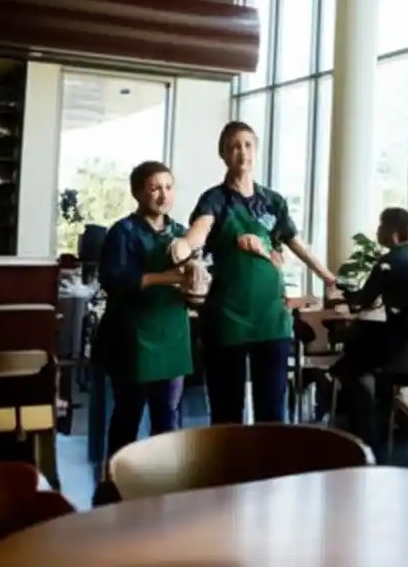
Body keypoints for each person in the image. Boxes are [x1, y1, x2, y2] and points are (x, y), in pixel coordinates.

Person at [167, 121, 337, 424]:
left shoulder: (273, 201)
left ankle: (269, 469)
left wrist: (326, 275)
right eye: (233, 145)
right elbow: (198, 233)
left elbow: (296, 244)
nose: (241, 152)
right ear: (223, 154)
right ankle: (228, 470)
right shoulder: (215, 199)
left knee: (272, 411)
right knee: (226, 410)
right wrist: (182, 249)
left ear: (255, 150)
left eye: (247, 144)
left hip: (271, 318)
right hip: (226, 317)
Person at [97, 161, 192, 458]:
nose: (163, 195)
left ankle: (164, 480)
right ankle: (116, 479)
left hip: (172, 334)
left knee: (168, 415)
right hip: (133, 336)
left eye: (168, 187)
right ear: (138, 193)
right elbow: (114, 279)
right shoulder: (123, 232)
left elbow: (198, 272)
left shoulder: (181, 234)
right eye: (154, 188)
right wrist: (166, 278)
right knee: (128, 415)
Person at [331, 207, 408, 458]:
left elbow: (363, 300)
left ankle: (363, 436)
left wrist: (341, 292)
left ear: (393, 232)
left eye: (381, 225)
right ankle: (396, 398)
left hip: (395, 345)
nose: (377, 231)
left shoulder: (389, 262)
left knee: (347, 368)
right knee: (355, 360)